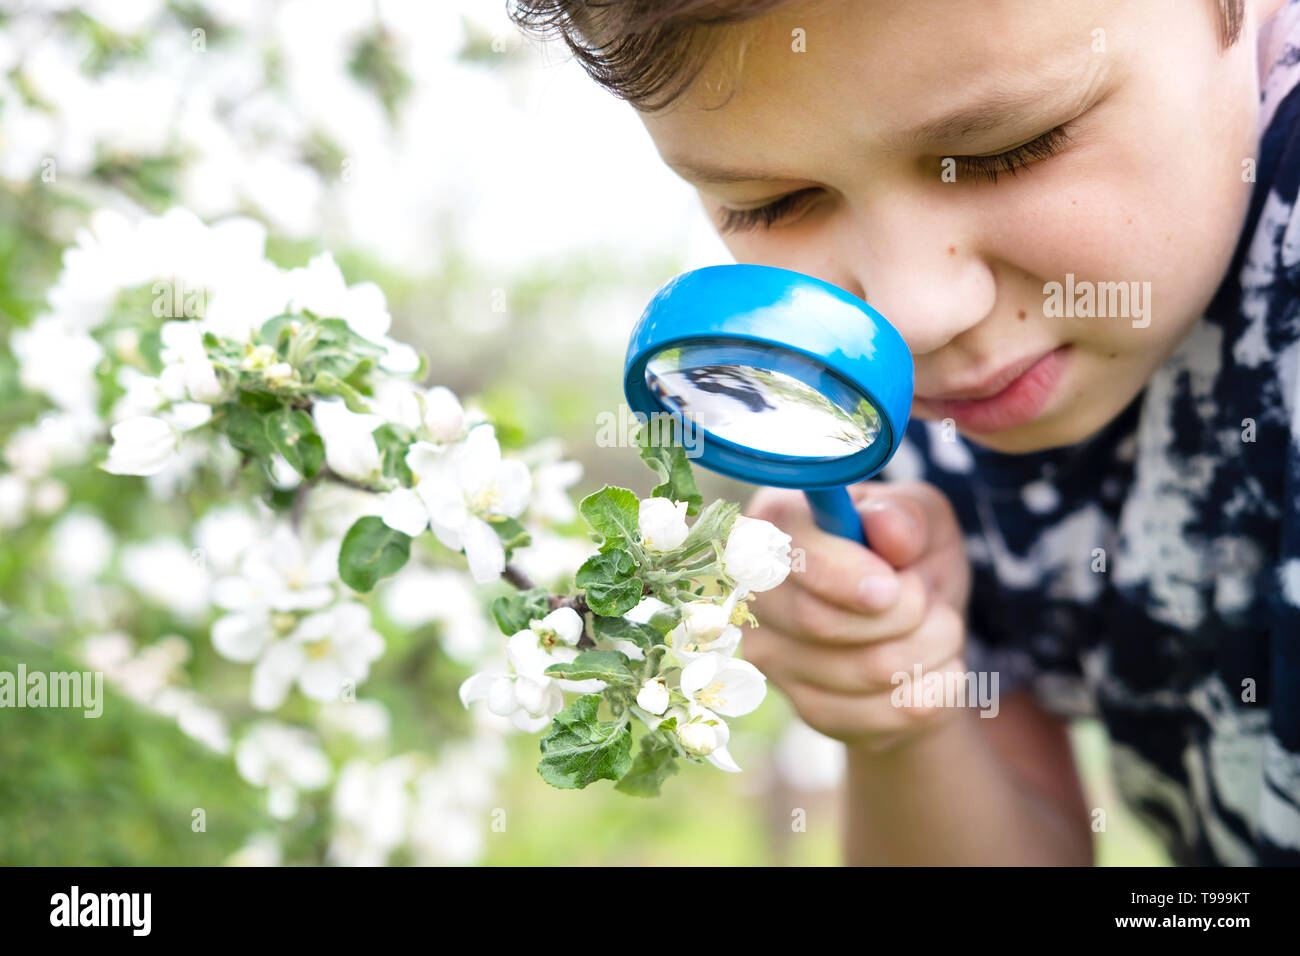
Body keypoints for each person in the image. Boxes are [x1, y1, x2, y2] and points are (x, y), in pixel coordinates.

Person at [509, 0, 1300, 865]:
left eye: (1010, 149)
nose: (914, 317)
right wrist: (907, 723)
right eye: (771, 203)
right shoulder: (929, 425)